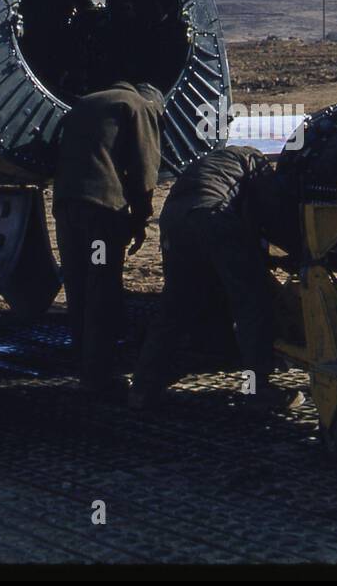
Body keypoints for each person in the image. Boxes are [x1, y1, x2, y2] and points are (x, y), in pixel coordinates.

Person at [130, 145, 303, 413]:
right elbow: (272, 216)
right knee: (252, 305)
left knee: (175, 306)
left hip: (174, 221)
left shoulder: (212, 162)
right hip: (212, 217)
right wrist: (300, 253)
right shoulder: (256, 164)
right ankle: (257, 390)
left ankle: (143, 387)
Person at [52, 81, 164, 402]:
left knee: (78, 287)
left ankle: (84, 368)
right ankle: (98, 377)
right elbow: (144, 169)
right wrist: (140, 219)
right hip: (101, 211)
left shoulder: (87, 100)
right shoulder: (138, 107)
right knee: (102, 289)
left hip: (65, 207)